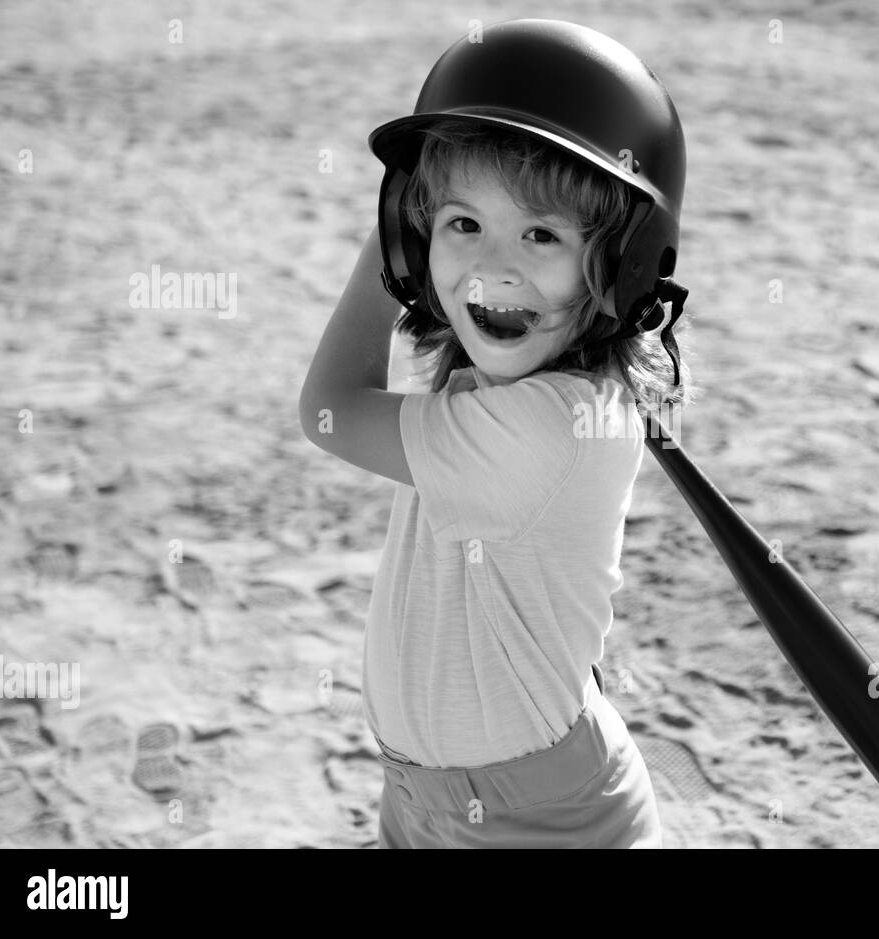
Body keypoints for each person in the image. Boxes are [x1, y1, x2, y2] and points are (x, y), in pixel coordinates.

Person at [298, 18, 698, 848]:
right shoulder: (515, 372)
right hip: (426, 797)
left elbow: (330, 407)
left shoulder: (547, 429)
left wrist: (391, 244)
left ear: (624, 265)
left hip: (535, 821)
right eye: (462, 224)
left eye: (542, 234)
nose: (492, 268)